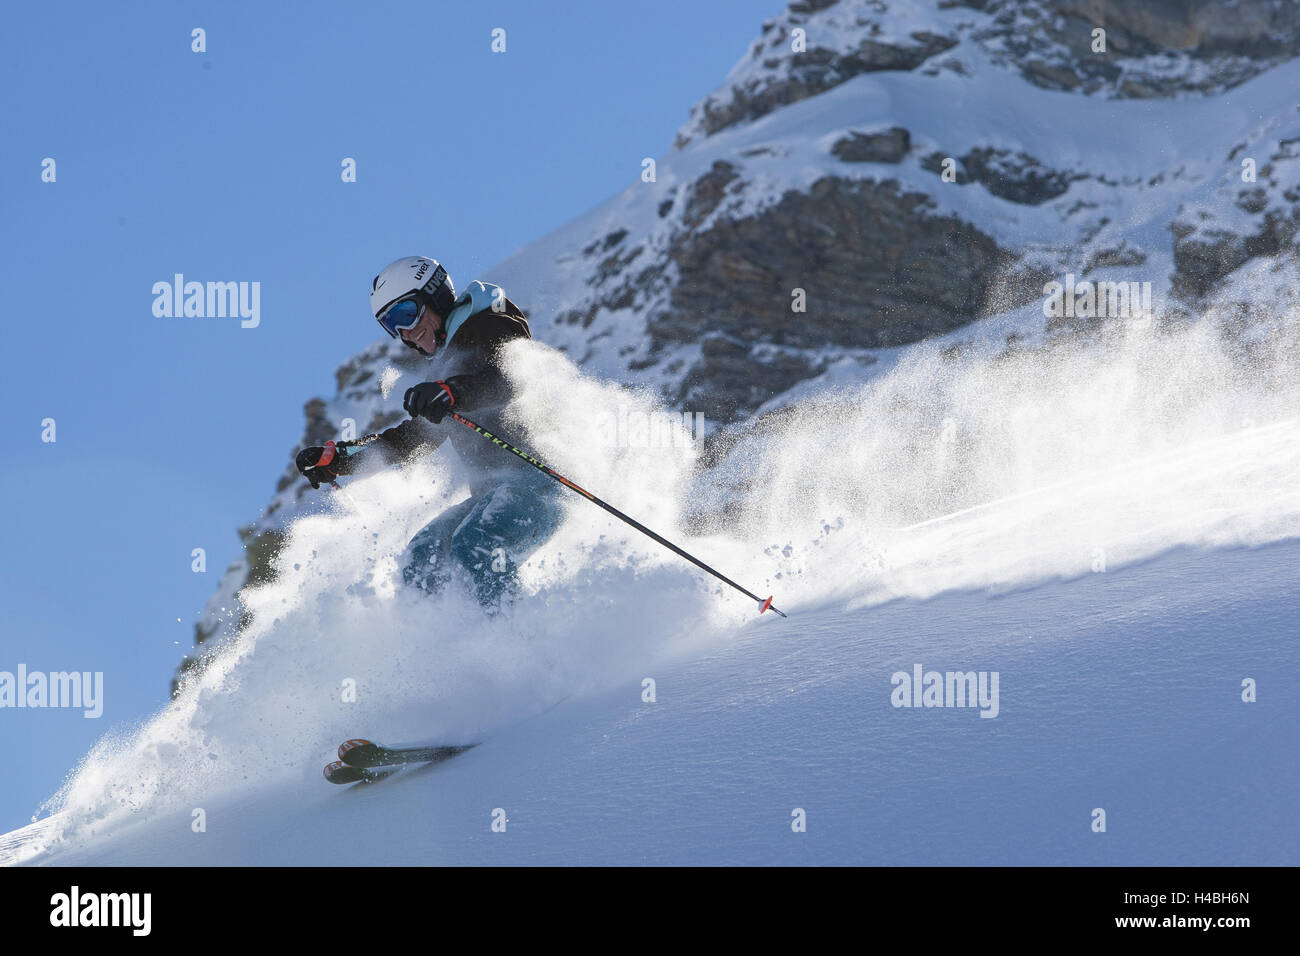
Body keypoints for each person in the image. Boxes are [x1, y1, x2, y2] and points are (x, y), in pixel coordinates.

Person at [294, 256, 566, 608]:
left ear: (435, 297)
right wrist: (341, 459)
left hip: (541, 478)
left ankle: (514, 639)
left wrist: (454, 391)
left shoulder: (490, 321)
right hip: (491, 493)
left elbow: (511, 379)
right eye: (391, 325)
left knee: (476, 542)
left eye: (406, 313)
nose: (404, 331)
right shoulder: (443, 370)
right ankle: (451, 652)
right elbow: (417, 438)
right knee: (423, 557)